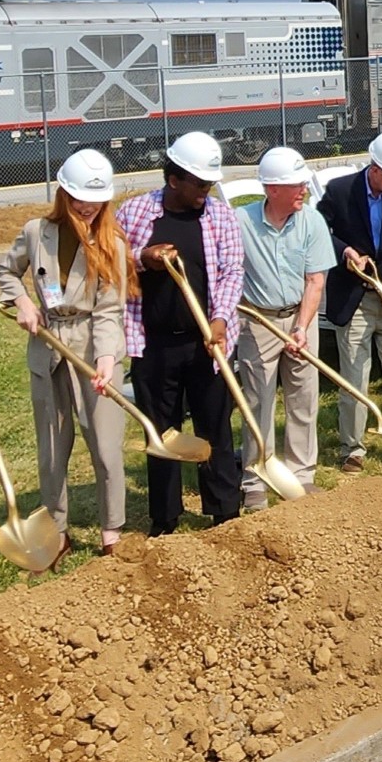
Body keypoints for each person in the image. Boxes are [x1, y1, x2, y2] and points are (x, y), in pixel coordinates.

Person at [0, 148, 130, 559]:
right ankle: (57, 529)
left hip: (93, 344)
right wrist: (22, 302)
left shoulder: (113, 245)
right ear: (62, 193)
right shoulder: (37, 232)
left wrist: (106, 359)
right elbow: (6, 272)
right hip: (49, 344)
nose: (87, 207)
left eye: (96, 201)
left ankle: (112, 532)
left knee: (106, 445)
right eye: (78, 199)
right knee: (53, 445)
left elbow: (110, 310)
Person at [119, 131, 245, 536]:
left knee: (216, 426)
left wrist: (221, 319)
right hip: (153, 341)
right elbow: (111, 263)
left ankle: (224, 510)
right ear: (175, 179)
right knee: (161, 431)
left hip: (207, 342)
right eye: (200, 184)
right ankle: (165, 518)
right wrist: (143, 258)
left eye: (210, 185)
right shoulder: (135, 214)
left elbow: (230, 273)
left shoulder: (220, 216)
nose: (206, 192)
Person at [316, 130, 382, 471]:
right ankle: (353, 448)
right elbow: (320, 231)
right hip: (354, 297)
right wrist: (345, 251)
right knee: (355, 376)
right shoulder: (339, 191)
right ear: (375, 168)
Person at [233, 147, 335, 505]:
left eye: (304, 183)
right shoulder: (241, 222)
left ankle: (301, 475)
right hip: (258, 321)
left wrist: (302, 328)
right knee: (256, 401)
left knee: (303, 398)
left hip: (299, 316)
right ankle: (255, 481)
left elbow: (315, 281)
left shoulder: (312, 221)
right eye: (296, 185)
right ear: (272, 189)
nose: (304, 190)